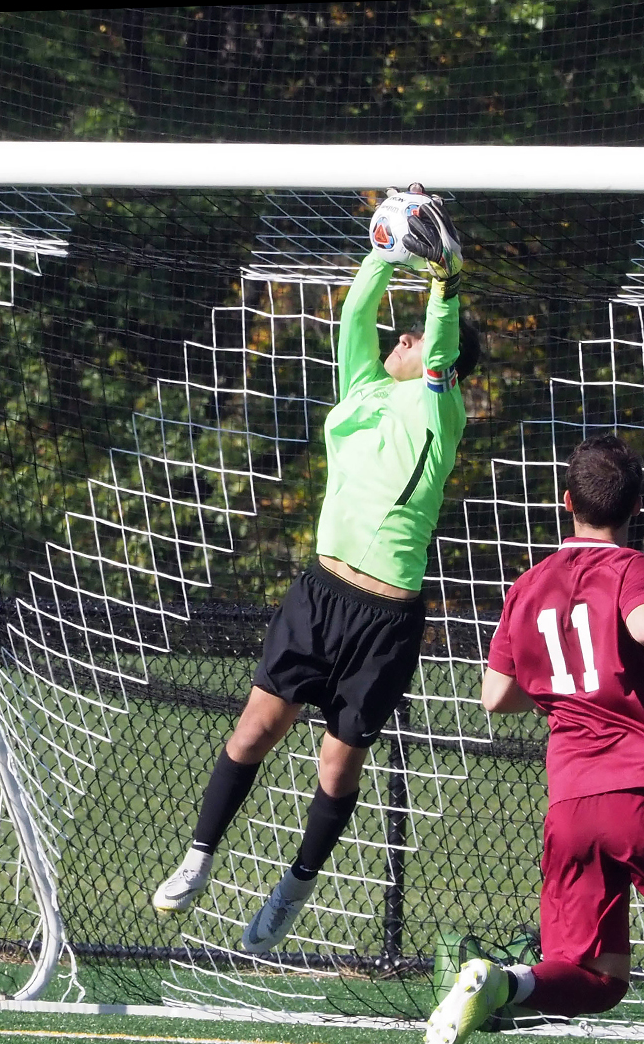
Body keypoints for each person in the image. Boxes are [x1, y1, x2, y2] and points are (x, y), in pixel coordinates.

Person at [152, 186, 481, 954]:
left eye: (417, 340)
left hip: (385, 618)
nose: (399, 342)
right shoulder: (365, 390)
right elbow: (353, 319)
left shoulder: (440, 407)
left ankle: (294, 888)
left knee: (336, 768)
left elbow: (436, 346)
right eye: (400, 337)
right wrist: (383, 251)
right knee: (254, 731)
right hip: (320, 592)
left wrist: (444, 279)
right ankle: (198, 859)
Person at [427, 434, 644, 1044]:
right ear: (636, 505)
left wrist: (558, 687)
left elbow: (496, 696)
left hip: (570, 805)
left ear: (566, 502)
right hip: (641, 794)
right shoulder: (632, 566)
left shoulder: (528, 583)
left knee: (600, 978)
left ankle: (503, 983)